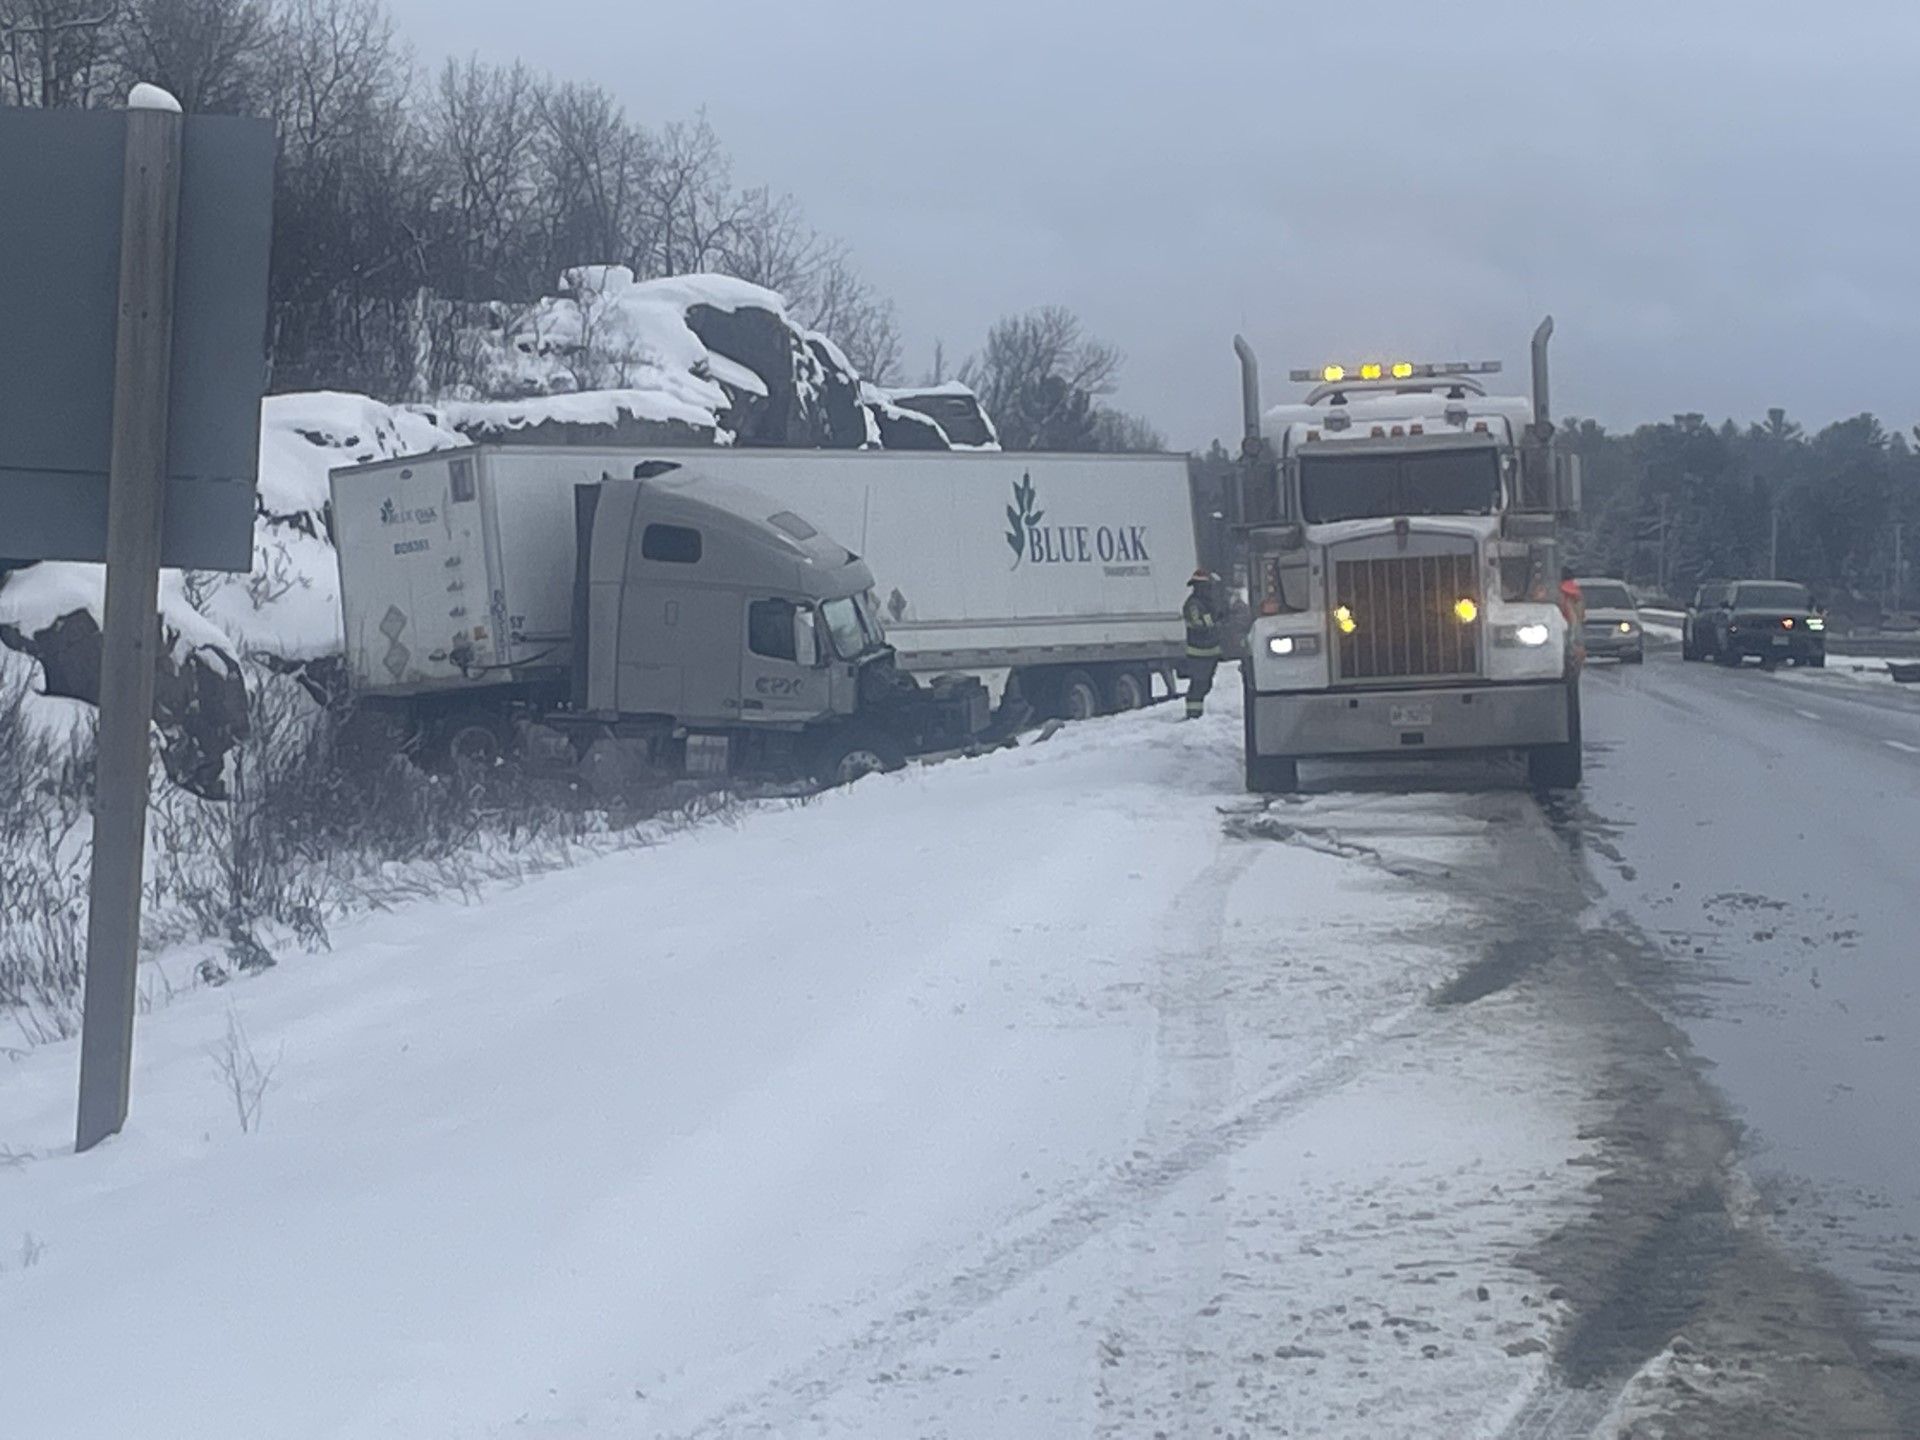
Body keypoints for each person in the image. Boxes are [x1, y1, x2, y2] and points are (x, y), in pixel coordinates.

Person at [1182, 569, 1222, 719]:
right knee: (1198, 685)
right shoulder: (1193, 605)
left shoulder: (1209, 603)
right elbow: (1197, 624)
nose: (1209, 590)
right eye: (1207, 587)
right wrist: (1214, 625)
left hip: (1210, 652)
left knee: (1205, 685)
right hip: (1198, 653)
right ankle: (1193, 715)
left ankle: (1196, 714)